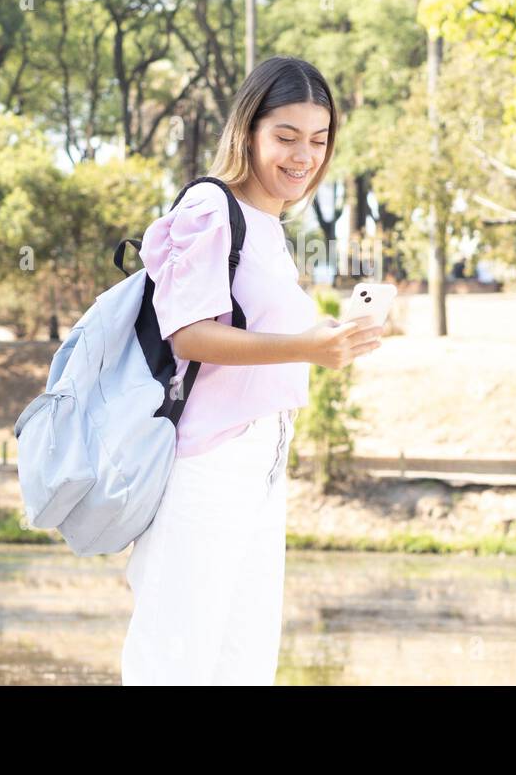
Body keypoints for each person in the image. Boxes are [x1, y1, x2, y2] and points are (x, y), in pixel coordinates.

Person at [120, 56, 382, 686]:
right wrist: (304, 347)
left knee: (242, 664)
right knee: (177, 660)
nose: (303, 156)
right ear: (249, 131)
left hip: (262, 465)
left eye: (318, 141)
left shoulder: (270, 228)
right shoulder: (213, 207)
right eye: (286, 137)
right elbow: (190, 334)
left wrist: (330, 343)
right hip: (205, 465)